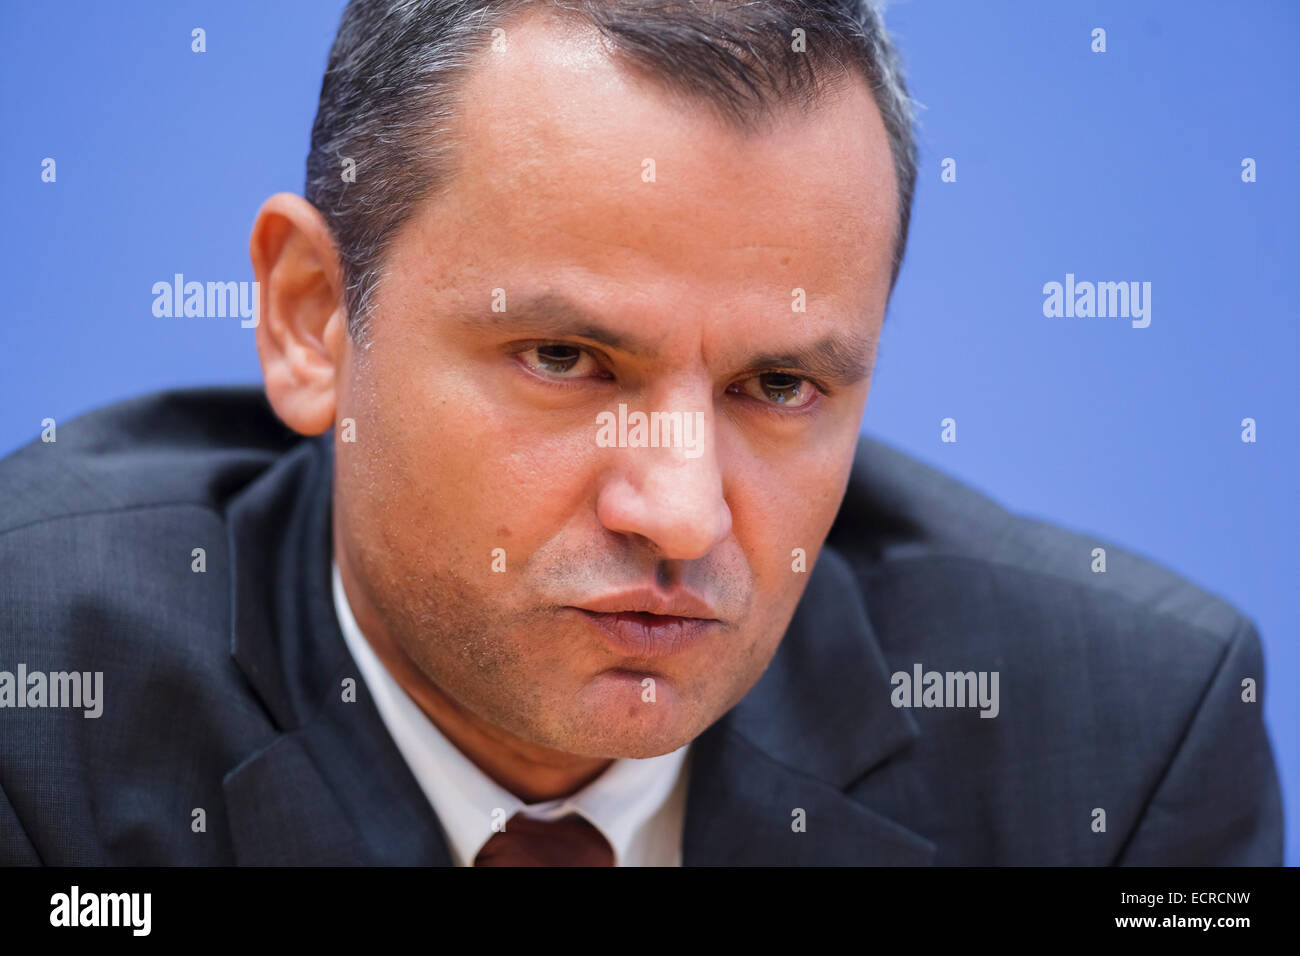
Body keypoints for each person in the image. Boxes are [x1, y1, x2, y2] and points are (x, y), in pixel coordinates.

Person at [0, 0, 1281, 866]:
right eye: (564, 358)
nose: (681, 514)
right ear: (313, 319)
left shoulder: (1125, 747)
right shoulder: (34, 712)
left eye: (779, 386)